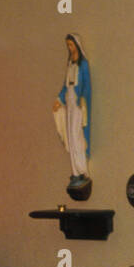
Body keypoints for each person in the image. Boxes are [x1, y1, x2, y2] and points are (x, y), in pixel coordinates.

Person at [53, 33, 91, 192]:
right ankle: (75, 172)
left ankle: (82, 171)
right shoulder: (70, 64)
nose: (70, 48)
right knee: (70, 135)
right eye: (68, 45)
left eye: (71, 45)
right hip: (69, 100)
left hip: (77, 102)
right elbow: (65, 85)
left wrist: (82, 98)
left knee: (77, 136)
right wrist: (59, 99)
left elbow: (85, 85)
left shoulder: (83, 65)